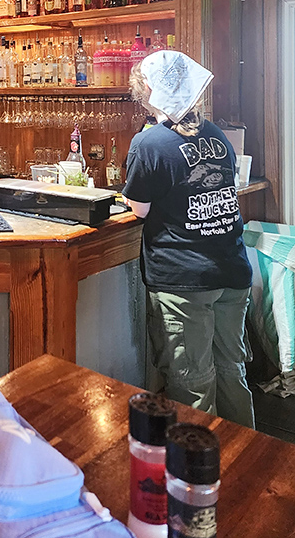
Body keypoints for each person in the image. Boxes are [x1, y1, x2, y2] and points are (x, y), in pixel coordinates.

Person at [122, 50, 254, 428]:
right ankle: (248, 459)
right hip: (232, 270)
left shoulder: (149, 143)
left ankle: (199, 462)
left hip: (184, 279)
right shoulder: (216, 134)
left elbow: (139, 210)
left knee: (192, 384)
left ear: (148, 92)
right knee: (231, 372)